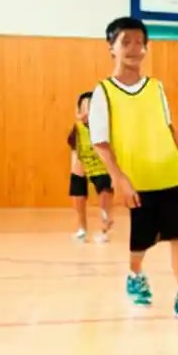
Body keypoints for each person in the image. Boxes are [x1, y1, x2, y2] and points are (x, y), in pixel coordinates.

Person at [89, 17, 178, 320]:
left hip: (169, 173)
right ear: (111, 48)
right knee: (142, 240)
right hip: (137, 180)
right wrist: (119, 178)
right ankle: (135, 273)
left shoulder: (156, 88)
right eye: (125, 41)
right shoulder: (103, 91)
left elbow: (170, 127)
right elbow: (100, 141)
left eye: (138, 42)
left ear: (146, 47)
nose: (133, 47)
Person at [67, 90, 114, 242]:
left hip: (102, 166)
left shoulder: (106, 127)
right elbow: (74, 148)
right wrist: (75, 167)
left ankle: (104, 230)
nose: (86, 113)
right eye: (83, 109)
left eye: (90, 109)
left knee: (104, 198)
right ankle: (82, 229)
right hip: (84, 163)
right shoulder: (78, 128)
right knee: (77, 190)